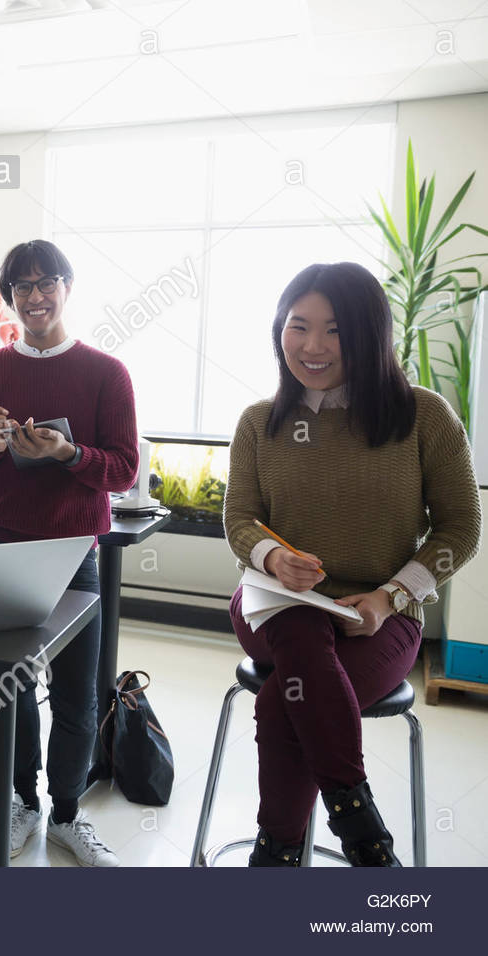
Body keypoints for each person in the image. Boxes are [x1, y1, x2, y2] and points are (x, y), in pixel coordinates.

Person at [224, 261, 479, 866]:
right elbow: (237, 522)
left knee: (284, 698)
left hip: (382, 616)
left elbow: (461, 528)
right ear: (278, 330)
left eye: (335, 330)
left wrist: (389, 596)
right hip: (273, 603)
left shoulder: (424, 416)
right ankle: (358, 823)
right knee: (301, 633)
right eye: (298, 326)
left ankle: (277, 854)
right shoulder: (260, 422)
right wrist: (275, 557)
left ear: (371, 333)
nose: (312, 346)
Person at [0, 239, 138, 866]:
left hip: (75, 547)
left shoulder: (106, 373)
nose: (34, 296)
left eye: (46, 282)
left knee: (80, 692)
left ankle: (66, 812)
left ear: (67, 286)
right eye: (21, 287)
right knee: (10, 687)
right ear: (9, 299)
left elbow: (123, 468)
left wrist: (68, 454)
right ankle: (21, 801)